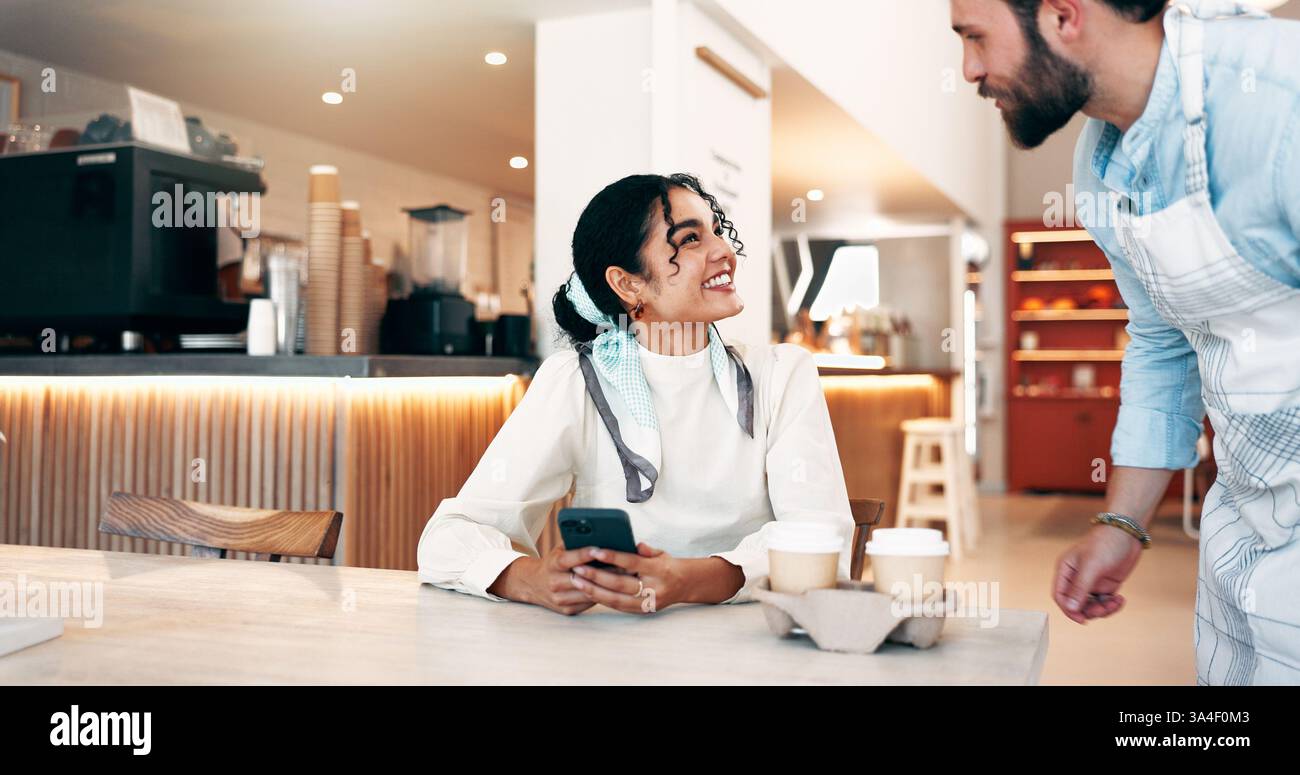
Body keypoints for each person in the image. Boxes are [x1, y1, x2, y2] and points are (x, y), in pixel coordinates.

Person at [952, 0, 1300, 683]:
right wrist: (1123, 524)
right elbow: (1163, 344)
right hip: (1249, 535)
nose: (968, 69)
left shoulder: (1279, 96)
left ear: (1062, 16)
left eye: (974, 38)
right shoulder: (1102, 166)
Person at [416, 173, 854, 616]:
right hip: (616, 651)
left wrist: (686, 580)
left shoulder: (781, 374)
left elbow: (822, 539)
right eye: (690, 240)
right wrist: (531, 580)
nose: (724, 251)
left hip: (759, 642)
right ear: (628, 285)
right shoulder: (577, 380)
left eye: (716, 232)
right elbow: (448, 537)